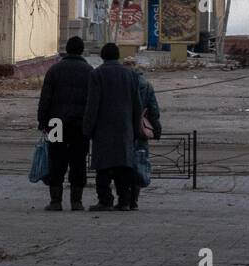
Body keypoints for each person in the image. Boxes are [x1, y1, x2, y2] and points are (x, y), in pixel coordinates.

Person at [83, 43, 161, 211]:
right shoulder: (131, 75)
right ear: (118, 56)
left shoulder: (97, 74)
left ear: (102, 56)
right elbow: (137, 105)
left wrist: (88, 128)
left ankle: (105, 200)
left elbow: (92, 105)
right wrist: (134, 128)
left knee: (103, 167)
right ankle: (124, 201)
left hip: (103, 129)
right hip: (125, 128)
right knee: (123, 165)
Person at [36, 36, 92, 211]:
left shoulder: (54, 70)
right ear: (82, 50)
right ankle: (77, 202)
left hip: (55, 123)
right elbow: (93, 101)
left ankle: (56, 201)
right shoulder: (90, 71)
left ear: (66, 50)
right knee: (78, 160)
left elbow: (45, 99)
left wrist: (42, 121)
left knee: (56, 159)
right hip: (80, 124)